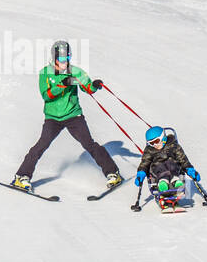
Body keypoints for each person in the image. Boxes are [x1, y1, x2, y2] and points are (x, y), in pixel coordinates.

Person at [11, 40, 123, 191]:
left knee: (89, 144)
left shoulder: (75, 71)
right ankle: (22, 176)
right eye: (62, 59)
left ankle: (113, 173)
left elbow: (87, 88)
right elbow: (46, 95)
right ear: (55, 58)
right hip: (53, 118)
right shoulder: (45, 73)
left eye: (67, 58)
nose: (65, 62)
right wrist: (62, 85)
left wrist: (94, 86)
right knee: (41, 145)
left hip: (73, 115)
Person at [134, 126, 201, 204]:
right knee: (161, 166)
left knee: (172, 163)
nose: (155, 144)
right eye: (151, 143)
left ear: (163, 137)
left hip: (174, 169)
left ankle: (176, 182)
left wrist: (189, 169)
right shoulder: (149, 150)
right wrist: (141, 173)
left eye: (157, 141)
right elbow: (145, 162)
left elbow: (182, 159)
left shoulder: (174, 146)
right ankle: (163, 184)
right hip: (158, 171)